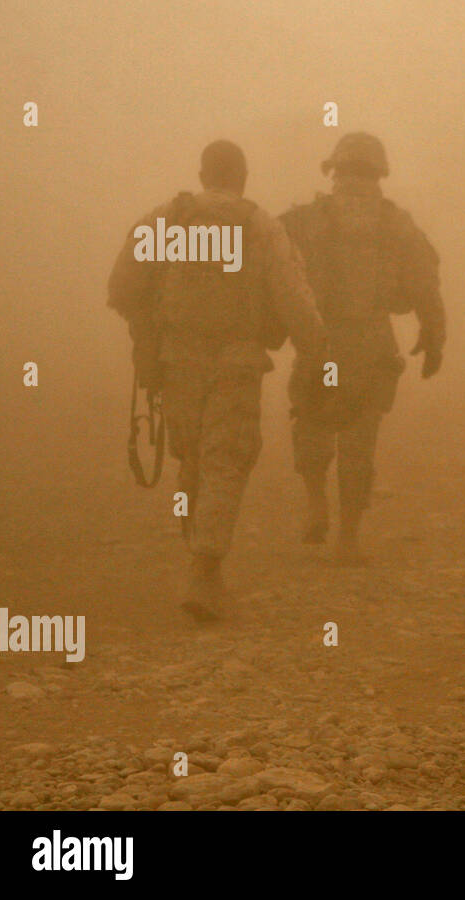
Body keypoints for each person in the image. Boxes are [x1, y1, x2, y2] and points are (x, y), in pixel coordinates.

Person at [108, 140, 326, 621]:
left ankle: (200, 559)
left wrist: (148, 333)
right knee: (225, 461)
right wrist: (316, 349)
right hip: (236, 361)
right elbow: (294, 300)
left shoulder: (165, 218)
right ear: (243, 177)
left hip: (177, 361)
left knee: (192, 462)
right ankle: (204, 570)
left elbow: (121, 286)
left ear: (203, 173)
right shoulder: (261, 225)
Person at [281, 133, 446, 564]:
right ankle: (348, 540)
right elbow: (426, 284)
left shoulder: (305, 218)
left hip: (320, 342)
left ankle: (316, 503)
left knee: (313, 421)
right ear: (380, 172)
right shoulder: (396, 224)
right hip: (371, 344)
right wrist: (434, 339)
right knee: (359, 441)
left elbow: (269, 267)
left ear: (335, 169)